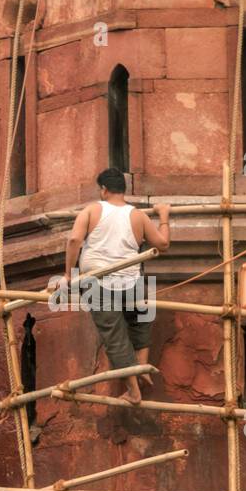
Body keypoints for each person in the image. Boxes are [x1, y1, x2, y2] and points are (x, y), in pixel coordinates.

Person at [61, 168, 171, 404]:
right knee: (141, 321)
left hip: (98, 282)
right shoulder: (138, 215)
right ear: (123, 189)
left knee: (115, 337)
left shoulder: (92, 209)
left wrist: (69, 274)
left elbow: (74, 240)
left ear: (103, 189)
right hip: (132, 282)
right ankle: (140, 367)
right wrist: (163, 216)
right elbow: (163, 243)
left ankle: (133, 391)